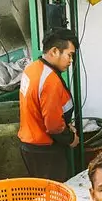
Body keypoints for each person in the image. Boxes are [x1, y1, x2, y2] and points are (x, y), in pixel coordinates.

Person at [19, 28, 80, 182]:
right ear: (54, 51)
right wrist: (71, 138)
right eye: (69, 55)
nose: (71, 61)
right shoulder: (50, 81)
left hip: (28, 145)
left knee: (40, 194)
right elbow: (53, 125)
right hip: (45, 151)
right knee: (54, 197)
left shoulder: (31, 68)